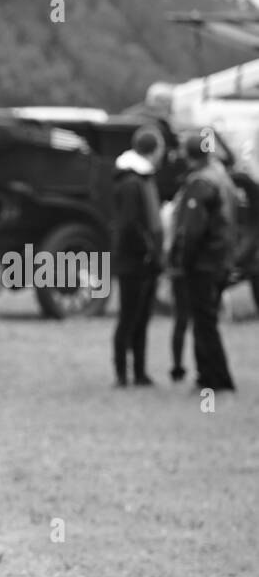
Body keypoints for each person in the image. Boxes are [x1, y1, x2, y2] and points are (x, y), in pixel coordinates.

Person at [169, 130, 237, 392]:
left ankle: (215, 378)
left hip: (203, 264)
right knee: (208, 321)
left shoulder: (200, 183)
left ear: (188, 155)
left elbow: (192, 231)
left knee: (205, 323)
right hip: (221, 260)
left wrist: (183, 262)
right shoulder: (221, 176)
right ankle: (211, 376)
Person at [111, 127, 164, 386]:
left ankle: (140, 372)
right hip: (134, 259)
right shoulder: (133, 182)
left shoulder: (139, 178)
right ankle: (123, 373)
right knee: (129, 317)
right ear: (154, 151)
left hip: (143, 259)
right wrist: (147, 250)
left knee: (141, 318)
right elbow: (131, 223)